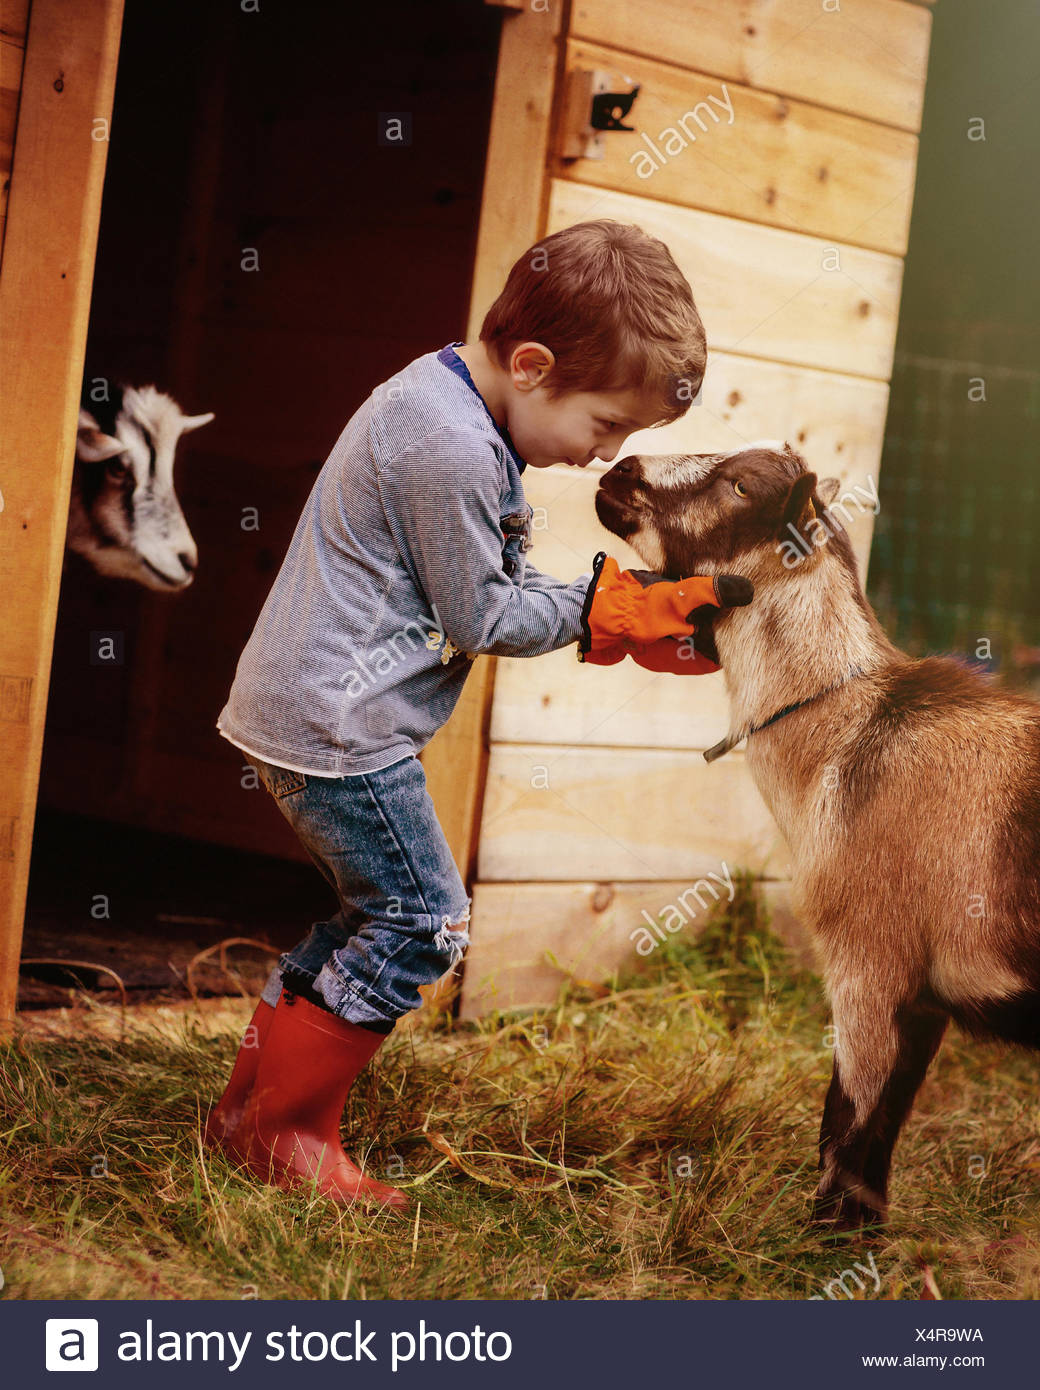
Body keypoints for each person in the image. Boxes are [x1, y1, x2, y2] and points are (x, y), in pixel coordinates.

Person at [206, 219, 753, 1208]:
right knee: (424, 918)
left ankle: (250, 1114)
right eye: (603, 425)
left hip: (326, 711)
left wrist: (609, 619)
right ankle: (283, 1135)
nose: (604, 455)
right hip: (340, 726)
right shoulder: (447, 446)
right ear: (533, 365)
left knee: (374, 912)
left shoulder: (447, 407)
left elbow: (479, 585)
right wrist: (607, 604)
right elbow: (483, 612)